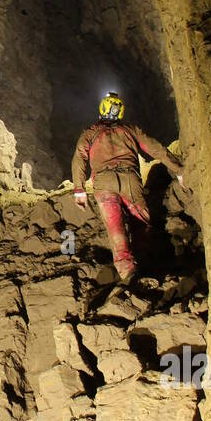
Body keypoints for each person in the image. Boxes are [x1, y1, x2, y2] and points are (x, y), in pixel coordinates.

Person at [71, 91, 186, 284]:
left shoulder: (90, 133)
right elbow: (155, 148)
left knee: (115, 226)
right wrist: (178, 169)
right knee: (141, 220)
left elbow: (79, 159)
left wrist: (79, 190)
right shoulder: (130, 130)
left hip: (104, 183)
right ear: (121, 112)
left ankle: (127, 271)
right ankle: (144, 262)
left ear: (102, 110)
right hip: (129, 179)